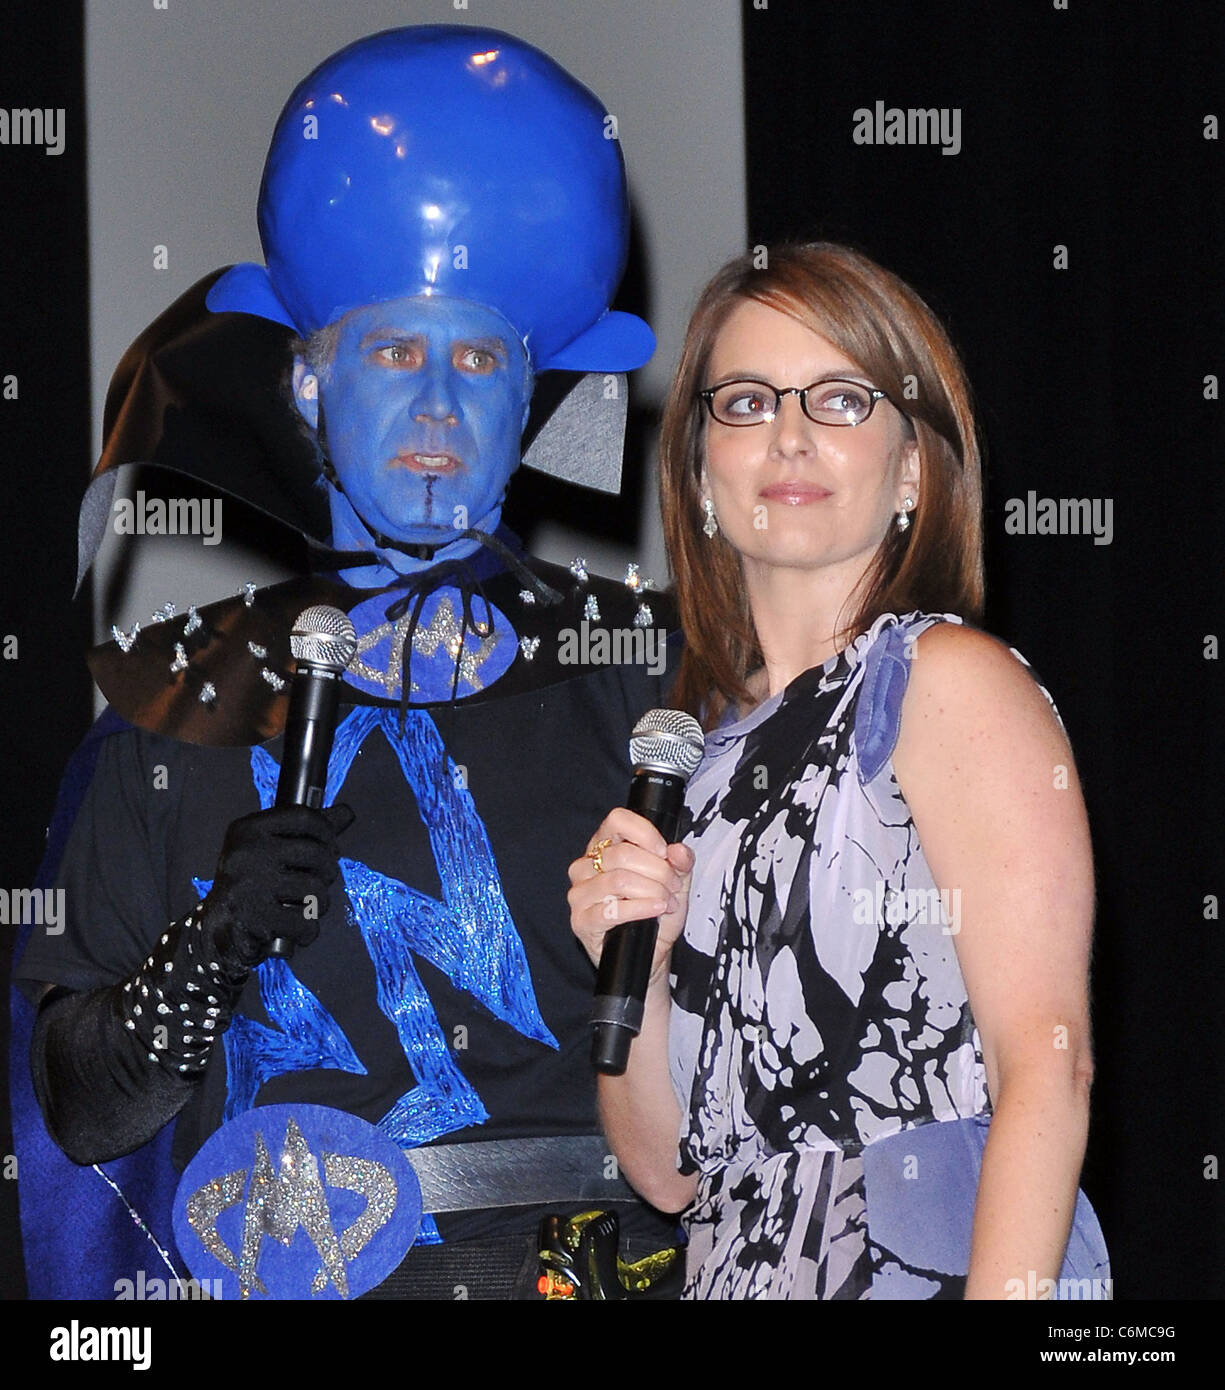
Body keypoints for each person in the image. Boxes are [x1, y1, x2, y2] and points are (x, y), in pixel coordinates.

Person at [13, 26, 681, 1301]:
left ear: (529, 401)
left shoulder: (645, 679)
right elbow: (78, 1116)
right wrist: (202, 954)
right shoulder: (178, 705)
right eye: (392, 352)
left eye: (479, 360)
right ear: (309, 385)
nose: (437, 410)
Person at [568, 242, 1112, 1300]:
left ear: (913, 468)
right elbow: (665, 1174)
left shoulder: (942, 680)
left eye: (839, 397)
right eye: (744, 400)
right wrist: (638, 962)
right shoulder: (695, 759)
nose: (787, 431)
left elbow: (1048, 1065)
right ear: (697, 474)